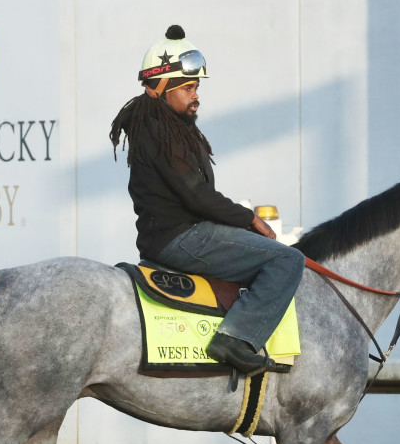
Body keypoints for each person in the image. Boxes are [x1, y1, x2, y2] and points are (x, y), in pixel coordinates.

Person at [110, 25, 305, 374]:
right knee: (287, 261)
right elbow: (197, 195)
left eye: (196, 86)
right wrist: (248, 218)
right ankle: (236, 339)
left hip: (173, 234)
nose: (195, 93)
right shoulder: (159, 130)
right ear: (158, 88)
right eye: (186, 87)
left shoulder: (163, 125)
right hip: (181, 237)